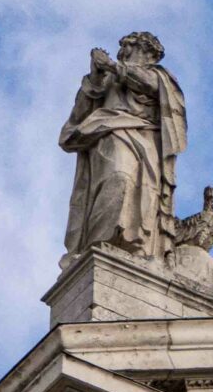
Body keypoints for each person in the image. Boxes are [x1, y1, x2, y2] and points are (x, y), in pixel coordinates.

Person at [59, 32, 187, 265]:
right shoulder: (108, 79)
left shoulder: (161, 77)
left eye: (129, 46)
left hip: (147, 140)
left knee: (146, 194)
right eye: (123, 48)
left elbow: (147, 84)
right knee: (119, 178)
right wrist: (95, 78)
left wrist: (112, 67)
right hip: (111, 133)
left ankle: (136, 245)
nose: (123, 51)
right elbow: (78, 116)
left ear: (148, 52)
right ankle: (98, 241)